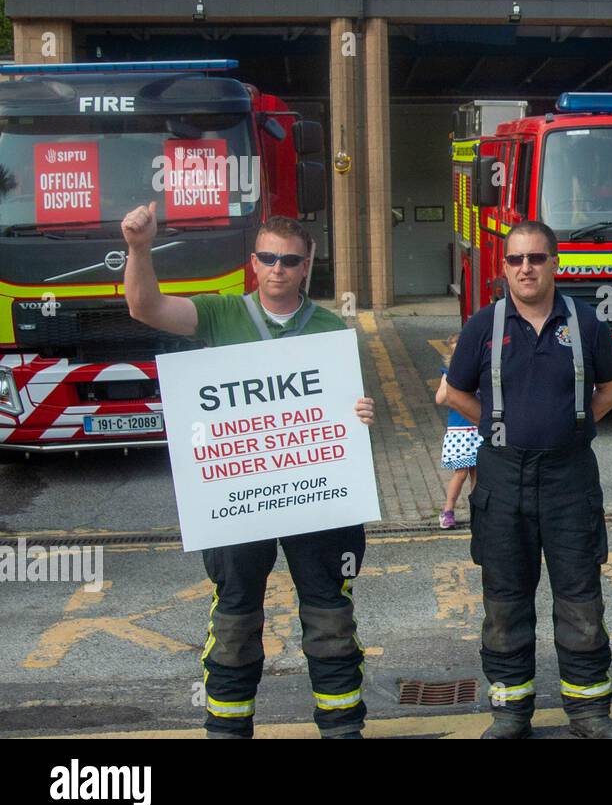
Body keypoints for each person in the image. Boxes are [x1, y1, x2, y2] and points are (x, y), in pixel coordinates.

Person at [121, 202, 376, 739]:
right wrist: (140, 248)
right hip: (239, 501)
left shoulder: (332, 329)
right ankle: (228, 729)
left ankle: (342, 728)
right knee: (235, 615)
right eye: (268, 258)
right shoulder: (219, 314)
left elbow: (342, 411)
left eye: (289, 260)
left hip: (315, 498)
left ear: (308, 265)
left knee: (330, 613)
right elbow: (145, 307)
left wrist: (360, 414)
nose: (278, 268)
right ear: (253, 264)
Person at [444, 220, 612, 739]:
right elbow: (455, 392)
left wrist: (578, 422)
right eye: (516, 260)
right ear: (504, 268)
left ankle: (589, 711)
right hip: (502, 481)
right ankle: (510, 712)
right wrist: (496, 425)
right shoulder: (484, 324)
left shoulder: (585, 322)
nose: (526, 268)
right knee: (505, 601)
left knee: (580, 599)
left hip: (570, 480)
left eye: (537, 258)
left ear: (555, 264)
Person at [434, 332, 479, 529]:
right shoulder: (449, 372)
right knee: (460, 473)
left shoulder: (479, 368)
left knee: (479, 474)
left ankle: (477, 513)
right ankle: (447, 511)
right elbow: (440, 398)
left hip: (478, 428)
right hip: (459, 431)